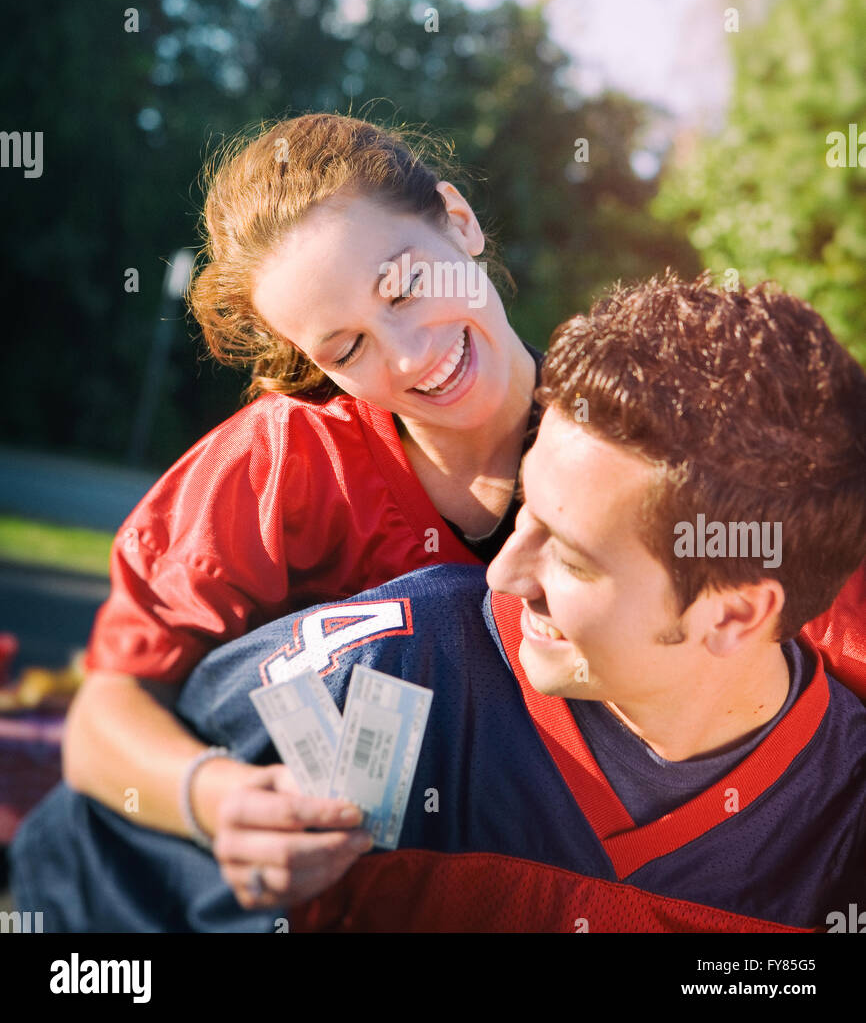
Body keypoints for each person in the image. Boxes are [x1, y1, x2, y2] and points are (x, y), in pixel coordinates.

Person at [13, 273, 866, 932]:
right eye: (524, 505)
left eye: (568, 555)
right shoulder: (385, 676)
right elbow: (83, 881)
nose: (501, 570)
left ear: (734, 614)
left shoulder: (843, 831)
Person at [55, 111, 542, 904]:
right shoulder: (281, 461)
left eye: (407, 283)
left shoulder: (621, 445)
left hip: (494, 884)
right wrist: (218, 802)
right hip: (216, 894)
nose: (411, 354)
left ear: (459, 221)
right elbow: (103, 716)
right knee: (430, 624)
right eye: (346, 349)